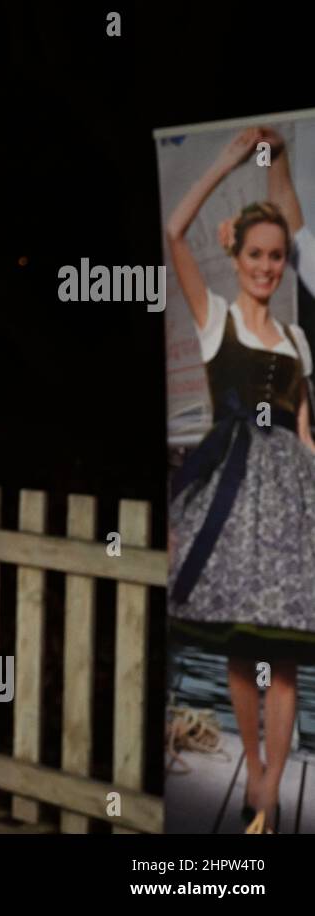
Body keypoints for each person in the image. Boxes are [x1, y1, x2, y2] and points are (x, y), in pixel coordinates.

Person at [166, 125, 315, 834]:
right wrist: (230, 160)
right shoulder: (215, 318)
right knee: (242, 647)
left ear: (285, 264)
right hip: (233, 500)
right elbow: (172, 229)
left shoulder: (297, 340)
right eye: (256, 253)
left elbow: (307, 434)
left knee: (285, 657)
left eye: (277, 256)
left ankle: (270, 786)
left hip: (289, 505)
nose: (266, 265)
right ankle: (252, 766)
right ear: (237, 256)